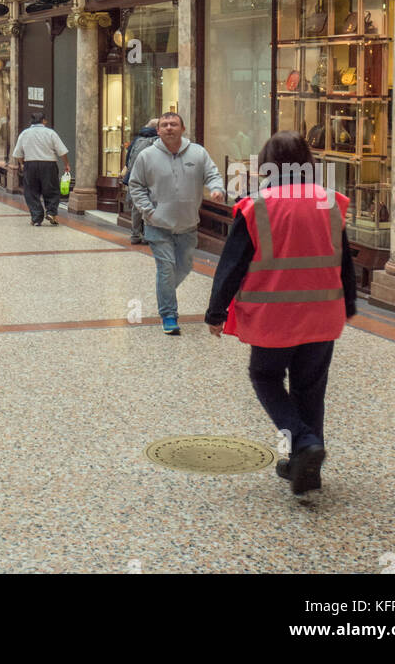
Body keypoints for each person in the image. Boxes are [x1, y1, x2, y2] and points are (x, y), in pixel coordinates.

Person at [205, 131, 357, 496]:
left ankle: (303, 442)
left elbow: (232, 265)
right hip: (323, 313)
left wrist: (215, 312)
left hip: (274, 315)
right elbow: (344, 260)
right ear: (307, 162)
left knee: (265, 376)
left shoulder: (256, 205)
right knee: (310, 389)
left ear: (266, 163)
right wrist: (349, 303)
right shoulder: (331, 202)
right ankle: (309, 470)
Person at [126, 111, 224, 334]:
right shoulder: (147, 156)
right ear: (158, 130)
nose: (169, 127)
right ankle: (169, 315)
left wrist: (217, 189)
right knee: (167, 268)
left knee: (185, 266)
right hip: (157, 225)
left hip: (188, 225)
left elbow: (213, 174)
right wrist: (148, 212)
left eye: (173, 124)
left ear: (183, 128)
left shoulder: (198, 153)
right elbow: (136, 185)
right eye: (165, 125)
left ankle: (164, 291)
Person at [11, 112, 69, 226]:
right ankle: (51, 212)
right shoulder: (50, 133)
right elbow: (62, 151)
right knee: (52, 189)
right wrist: (66, 164)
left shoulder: (24, 133)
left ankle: (37, 217)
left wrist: (22, 164)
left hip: (30, 164)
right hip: (49, 165)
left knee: (31, 191)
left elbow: (17, 154)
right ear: (44, 121)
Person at [123, 118, 158, 245]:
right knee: (150, 204)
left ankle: (135, 234)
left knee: (137, 206)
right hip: (149, 177)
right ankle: (148, 235)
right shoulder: (156, 140)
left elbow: (128, 158)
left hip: (135, 175)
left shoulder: (138, 139)